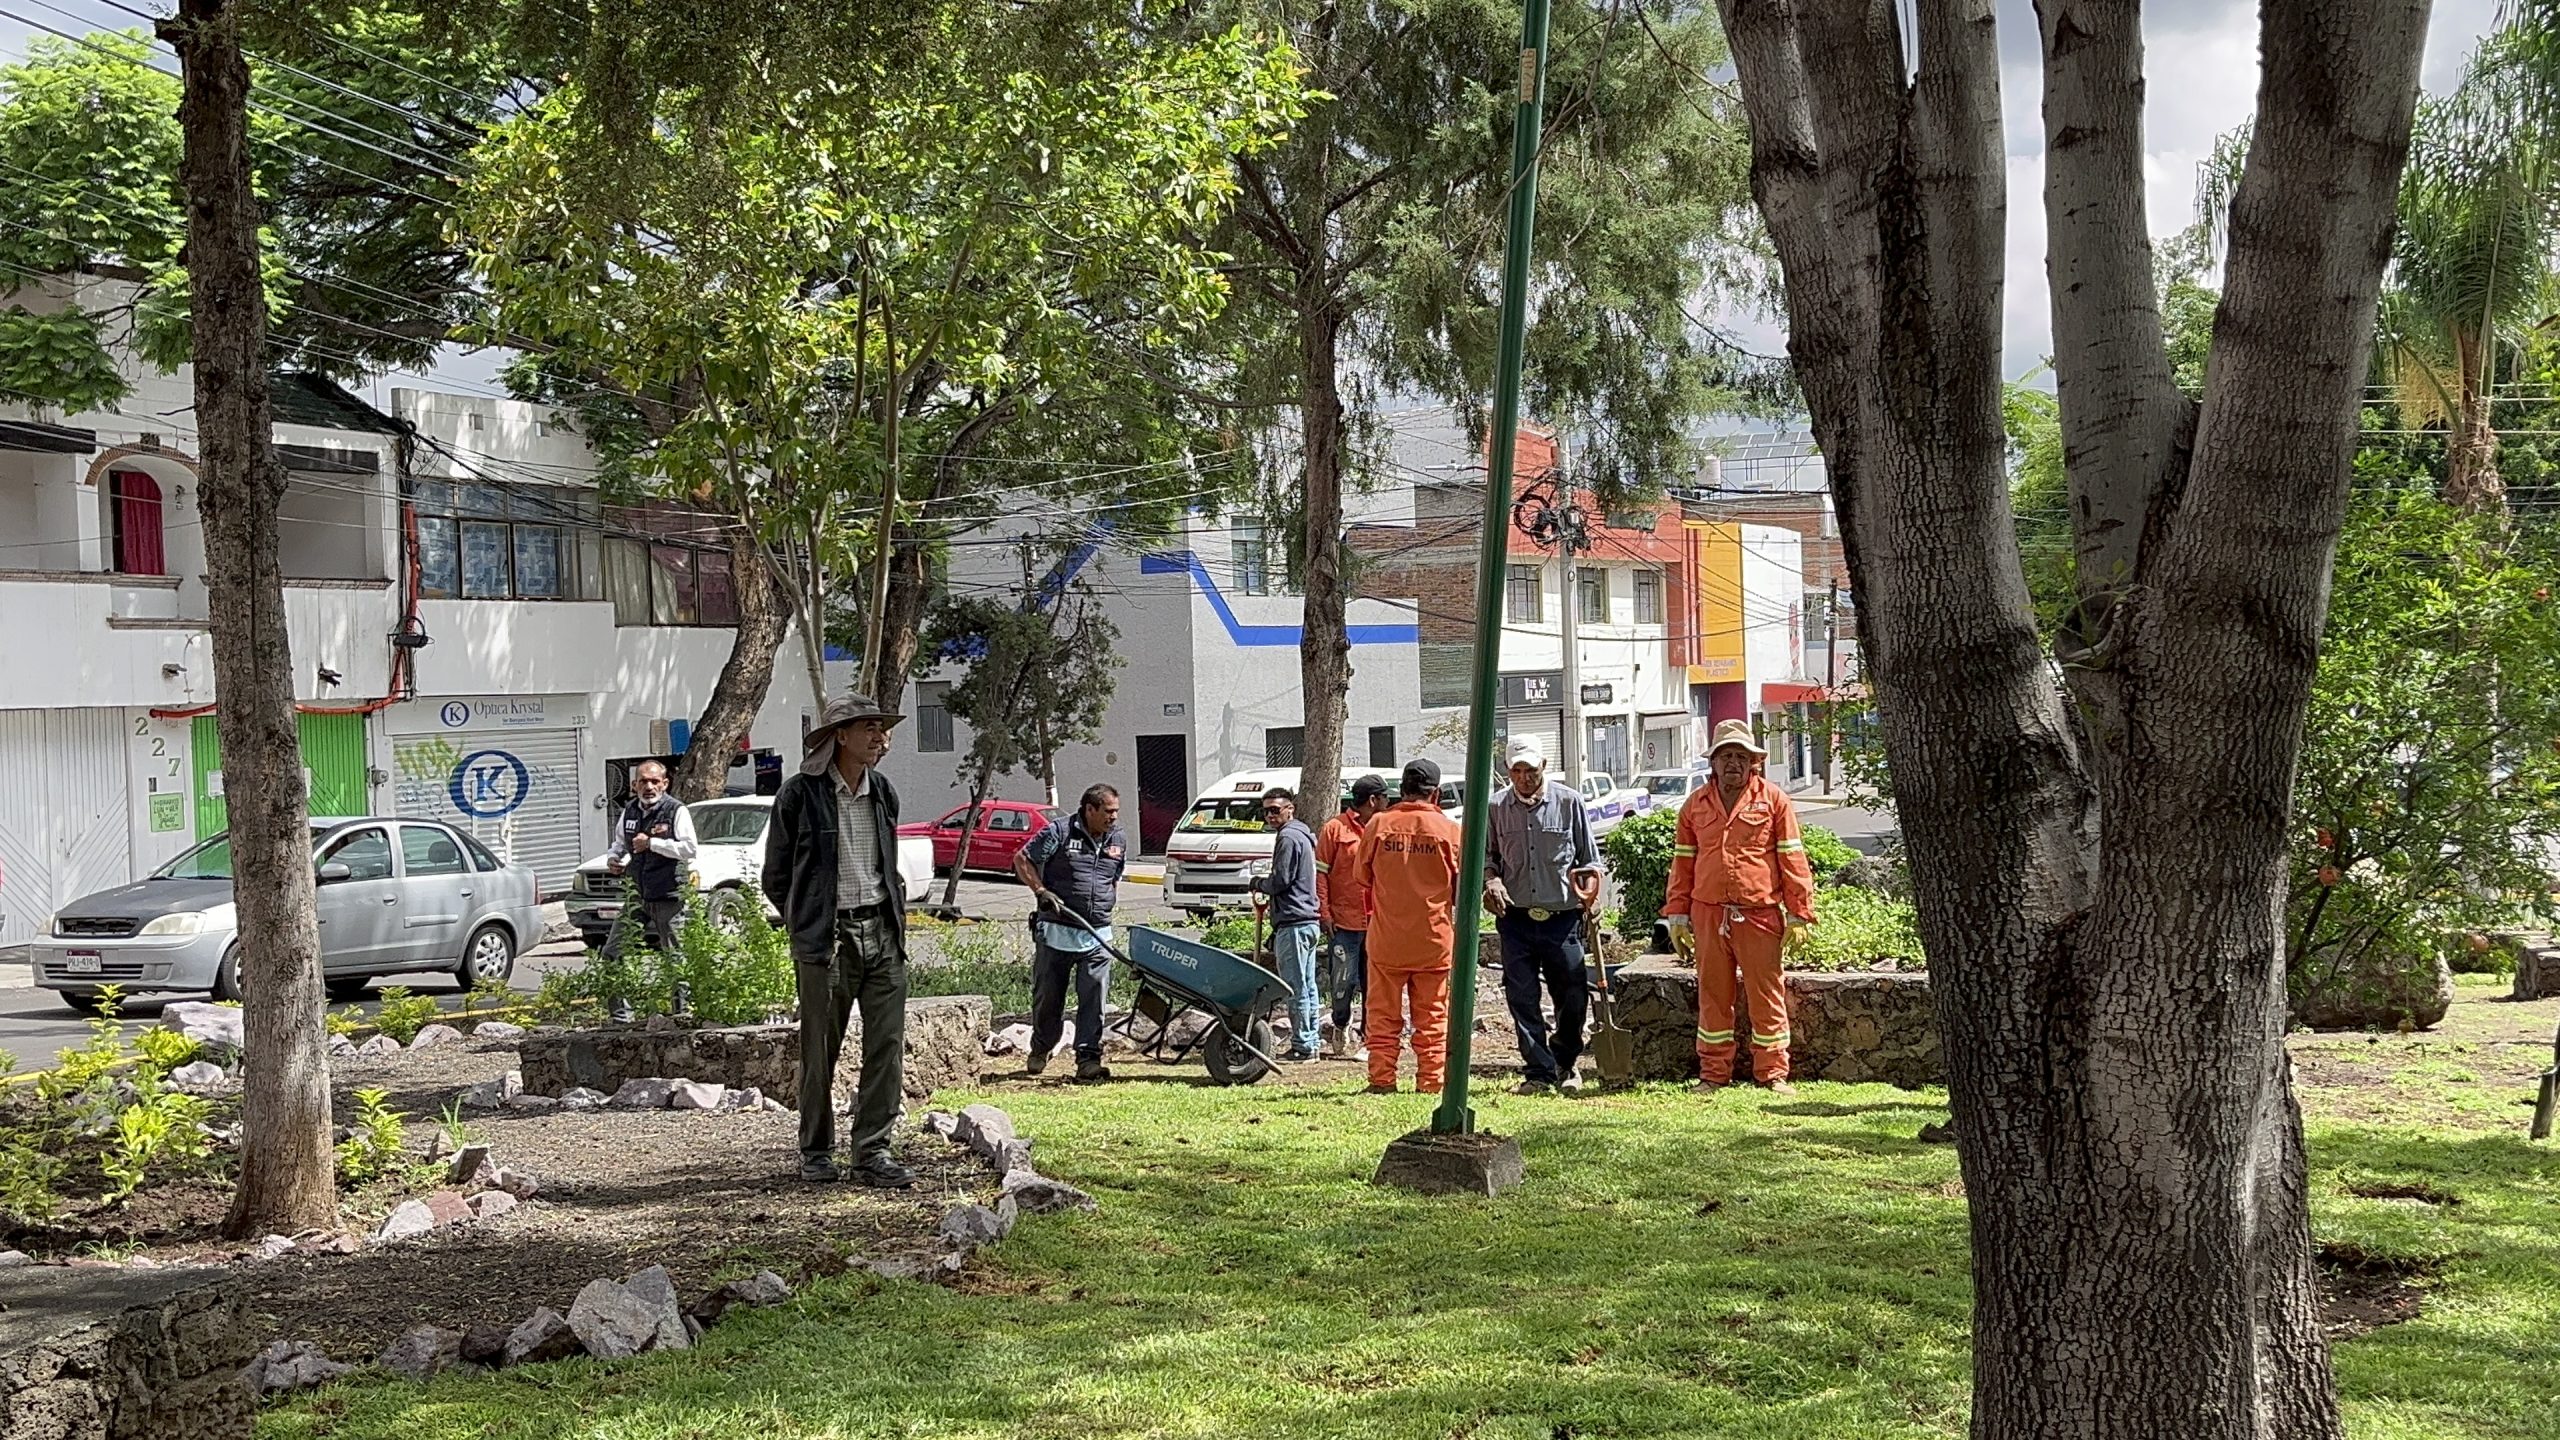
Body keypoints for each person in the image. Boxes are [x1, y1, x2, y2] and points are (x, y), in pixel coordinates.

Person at [761, 694, 914, 1186]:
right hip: (826, 941)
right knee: (819, 1050)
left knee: (886, 1046)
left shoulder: (883, 791)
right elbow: (776, 876)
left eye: (882, 728)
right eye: (868, 727)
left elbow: (886, 866)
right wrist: (805, 923)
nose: (879, 737)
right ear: (839, 737)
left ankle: (873, 1151)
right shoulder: (799, 794)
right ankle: (816, 1151)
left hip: (883, 934)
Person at [1661, 719, 1818, 1096]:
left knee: (1766, 993)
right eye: (1726, 755)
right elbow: (1683, 864)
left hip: (1759, 912)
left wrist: (1799, 914)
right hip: (1708, 912)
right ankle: (1713, 1074)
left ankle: (1774, 1073)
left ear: (1754, 763)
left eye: (1741, 756)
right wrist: (1676, 917)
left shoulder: (1774, 800)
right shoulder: (1694, 805)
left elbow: (1792, 858)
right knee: (1713, 995)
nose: (1733, 762)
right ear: (1713, 763)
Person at [1483, 738, 1604, 1095]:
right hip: (1515, 918)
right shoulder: (1495, 807)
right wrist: (1491, 881)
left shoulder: (1569, 802)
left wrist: (1593, 897)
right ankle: (1538, 1072)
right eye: (1516, 771)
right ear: (1508, 771)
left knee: (1572, 994)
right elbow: (1488, 858)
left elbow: (1590, 859)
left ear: (1545, 766)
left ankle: (1566, 1063)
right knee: (1521, 997)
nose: (1523, 778)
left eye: (1530, 771)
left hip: (1562, 917)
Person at [1348, 760, 1462, 1094]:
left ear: (1402, 791)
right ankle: (1431, 1082)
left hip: (1387, 941)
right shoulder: (1450, 831)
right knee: (1433, 1018)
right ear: (1436, 793)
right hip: (1434, 940)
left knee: (1382, 1016)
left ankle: (1382, 1080)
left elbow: (1361, 877)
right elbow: (1461, 891)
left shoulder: (1379, 825)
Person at [1015, 783, 1128, 1082]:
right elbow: (1022, 859)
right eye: (1108, 811)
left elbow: (1112, 879)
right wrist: (1041, 891)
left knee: (1095, 998)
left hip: (1098, 934)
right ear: (1089, 809)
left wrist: (1104, 906)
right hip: (1057, 931)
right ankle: (1041, 1047)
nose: (1113, 818)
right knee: (1049, 998)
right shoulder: (1059, 832)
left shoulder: (1118, 839)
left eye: (1116, 811)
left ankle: (1088, 1059)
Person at [1315, 773, 1389, 1060]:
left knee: (1376, 984)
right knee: (1342, 982)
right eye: (1384, 798)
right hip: (1344, 924)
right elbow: (1320, 874)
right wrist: (1325, 912)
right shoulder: (1334, 829)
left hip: (1378, 924)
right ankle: (1341, 1024)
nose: (1388, 803)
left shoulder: (1384, 827)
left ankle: (1371, 1039)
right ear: (1373, 800)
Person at [1249, 787, 1323, 1061]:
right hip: (1306, 920)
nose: (1270, 815)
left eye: (1275, 809)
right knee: (1308, 985)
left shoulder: (1290, 838)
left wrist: (1258, 883)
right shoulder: (1300, 835)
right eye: (1266, 810)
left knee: (1296, 986)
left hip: (1294, 921)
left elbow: (1281, 880)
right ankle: (1311, 1042)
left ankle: (1303, 1046)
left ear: (1290, 808)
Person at [603, 760, 699, 958]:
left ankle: (682, 990)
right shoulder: (630, 810)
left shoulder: (676, 811)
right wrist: (613, 858)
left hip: (667, 895)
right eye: (643, 781)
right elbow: (620, 844)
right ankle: (618, 989)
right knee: (613, 952)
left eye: (654, 781)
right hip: (637, 894)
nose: (649, 787)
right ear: (634, 785)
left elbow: (690, 849)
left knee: (675, 956)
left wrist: (652, 844)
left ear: (664, 784)